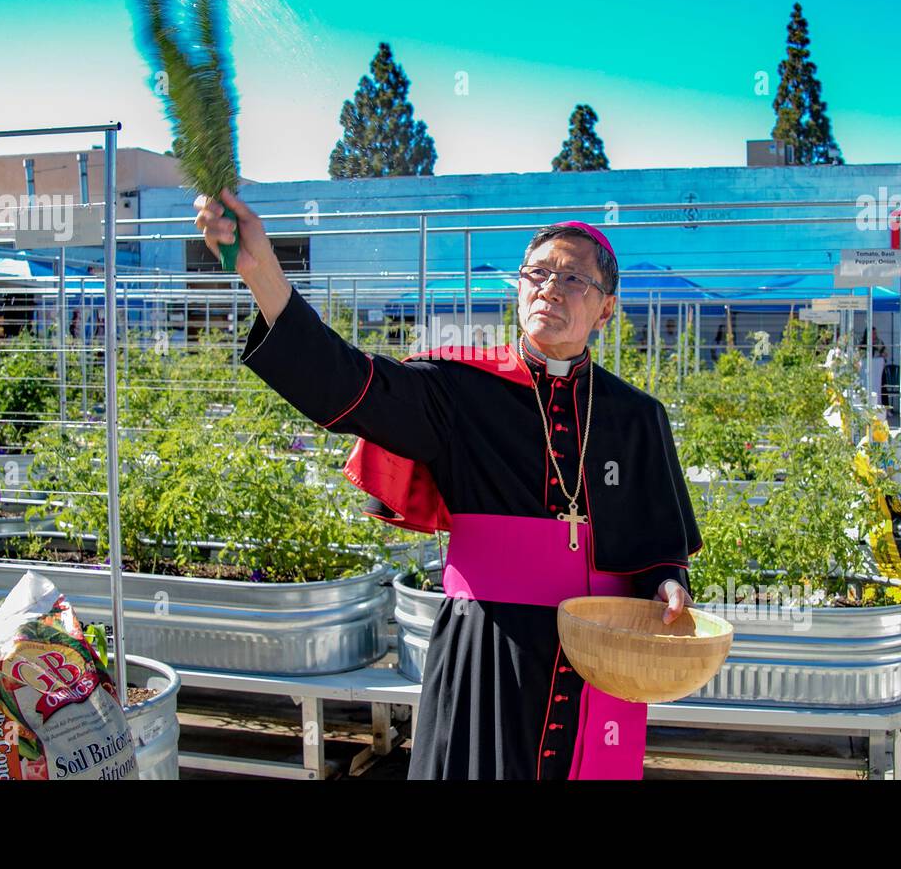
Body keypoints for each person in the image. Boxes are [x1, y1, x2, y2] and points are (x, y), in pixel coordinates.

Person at [194, 189, 701, 780]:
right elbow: (347, 385)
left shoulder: (636, 416)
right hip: (488, 644)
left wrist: (669, 582)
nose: (551, 288)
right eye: (537, 273)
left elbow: (658, 542)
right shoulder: (459, 386)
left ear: (607, 309)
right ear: (519, 287)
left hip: (603, 648)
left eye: (574, 279)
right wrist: (262, 273)